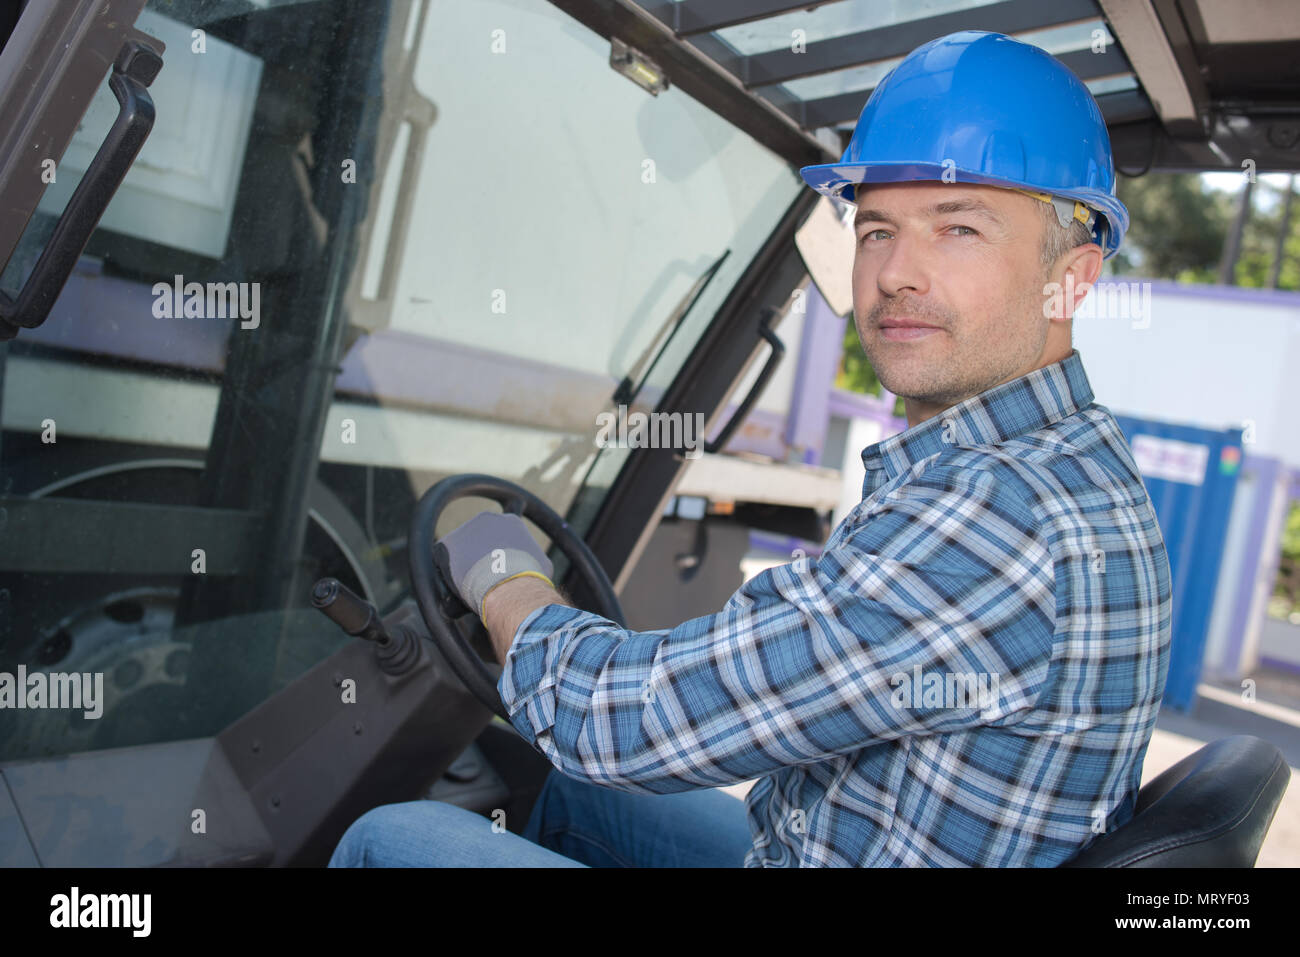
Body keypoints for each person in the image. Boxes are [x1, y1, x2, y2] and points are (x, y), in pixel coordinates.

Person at [329, 29, 1172, 868]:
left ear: (1075, 275)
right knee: (577, 792)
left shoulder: (992, 516)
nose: (896, 274)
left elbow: (618, 722)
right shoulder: (1076, 462)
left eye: (958, 229)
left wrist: (504, 581)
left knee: (389, 841)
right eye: (877, 229)